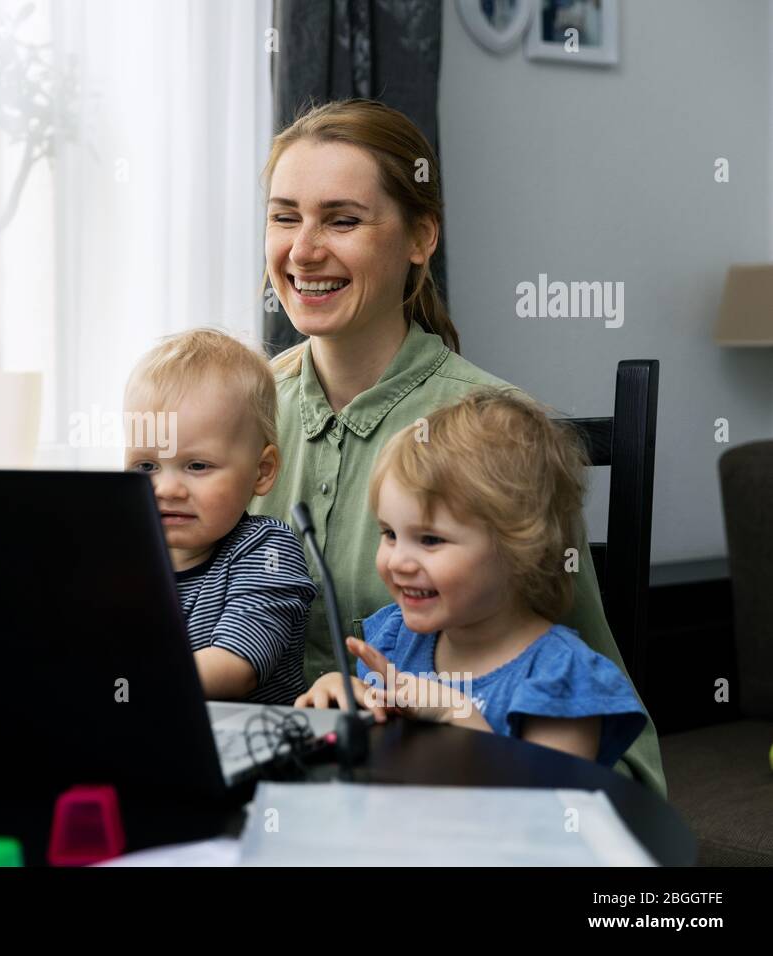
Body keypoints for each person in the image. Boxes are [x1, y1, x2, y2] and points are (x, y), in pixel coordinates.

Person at [248, 98, 666, 795]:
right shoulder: (241, 409)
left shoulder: (492, 432)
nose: (304, 249)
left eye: (342, 219)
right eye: (285, 215)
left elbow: (594, 730)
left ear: (421, 237)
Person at [296, 389, 648, 767]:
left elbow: (548, 811)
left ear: (521, 549)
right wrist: (345, 698)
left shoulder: (558, 679)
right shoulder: (395, 640)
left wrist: (456, 714)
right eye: (389, 534)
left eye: (430, 539)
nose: (398, 561)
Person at [123, 329, 316, 704]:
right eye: (146, 465)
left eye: (197, 465)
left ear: (262, 472)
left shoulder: (267, 551)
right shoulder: (126, 554)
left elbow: (235, 668)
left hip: (254, 747)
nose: (166, 489)